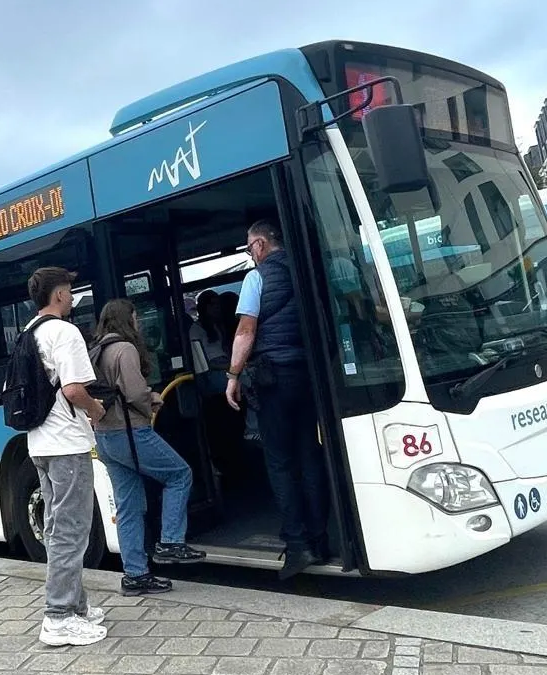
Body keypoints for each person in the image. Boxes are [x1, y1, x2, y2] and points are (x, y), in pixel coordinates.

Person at [225, 219, 330, 580]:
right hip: (309, 375)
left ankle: (298, 545)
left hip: (274, 379)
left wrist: (233, 375)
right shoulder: (307, 269)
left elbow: (246, 330)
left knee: (281, 462)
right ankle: (320, 538)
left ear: (259, 246)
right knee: (310, 455)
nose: (250, 255)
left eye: (248, 248)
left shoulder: (256, 279)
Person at [90, 299, 205, 596]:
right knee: (179, 474)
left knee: (128, 508)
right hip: (130, 433)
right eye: (135, 316)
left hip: (105, 437)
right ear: (126, 319)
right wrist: (152, 398)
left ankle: (136, 575)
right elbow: (134, 392)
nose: (138, 321)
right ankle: (170, 542)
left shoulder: (96, 350)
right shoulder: (124, 349)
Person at [22, 267, 109, 647]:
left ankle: (76, 606)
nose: (73, 298)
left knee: (58, 529)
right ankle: (57, 616)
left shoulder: (29, 331)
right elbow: (73, 390)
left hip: (39, 444)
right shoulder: (65, 332)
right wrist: (96, 409)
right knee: (72, 532)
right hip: (66, 445)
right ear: (58, 294)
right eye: (70, 291)